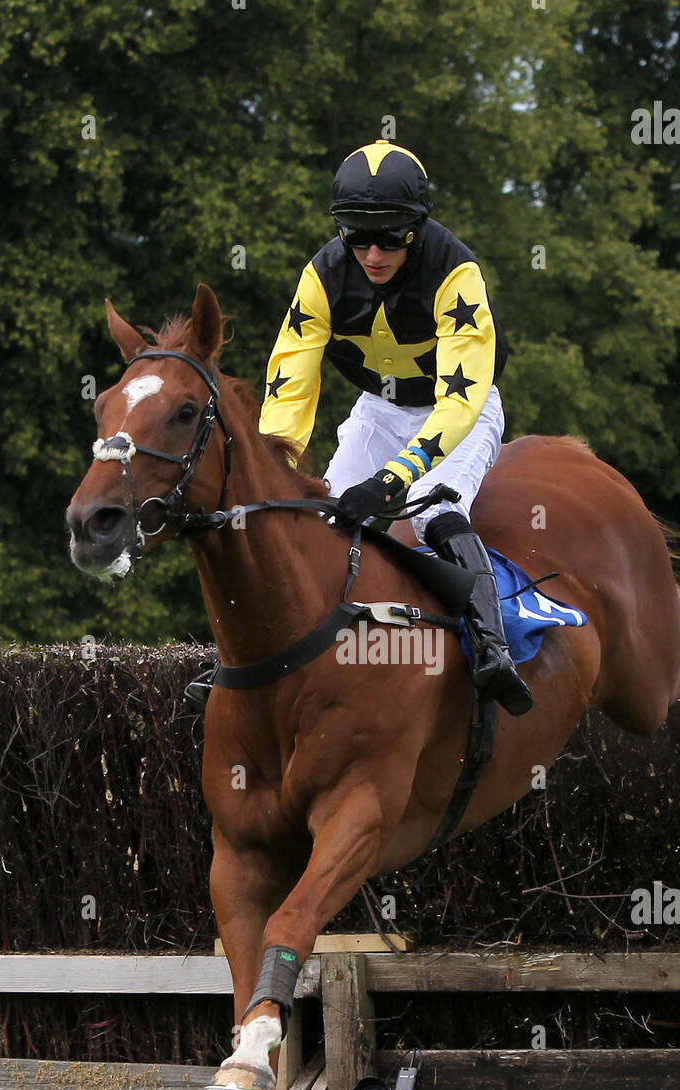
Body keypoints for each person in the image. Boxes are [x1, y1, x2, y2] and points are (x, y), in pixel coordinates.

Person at [187, 138, 532, 716]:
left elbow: (459, 401)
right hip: (379, 409)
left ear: (417, 228)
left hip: (460, 413)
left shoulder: (455, 272)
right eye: (356, 236)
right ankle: (237, 660)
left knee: (430, 509)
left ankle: (494, 649)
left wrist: (395, 478)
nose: (373, 253)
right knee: (316, 517)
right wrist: (280, 467)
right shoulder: (322, 276)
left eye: (391, 237)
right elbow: (291, 385)